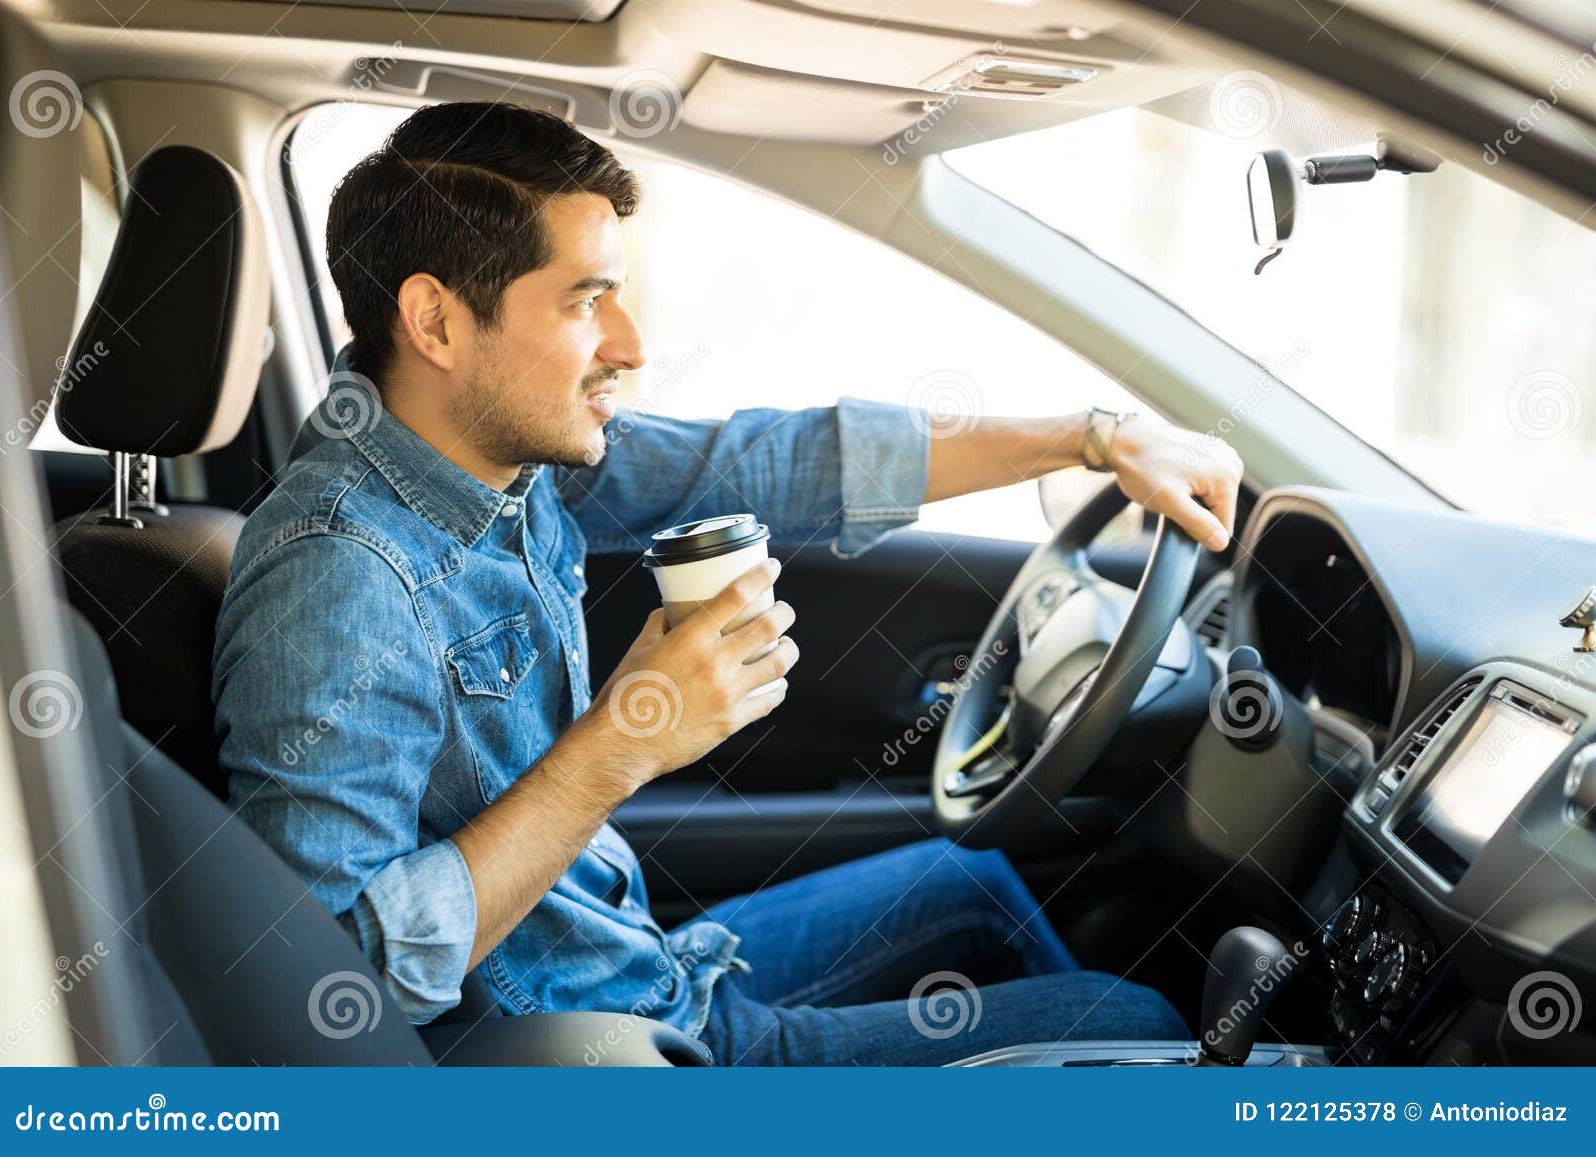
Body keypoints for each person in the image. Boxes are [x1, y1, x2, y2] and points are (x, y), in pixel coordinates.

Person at [213, 101, 1243, 1065]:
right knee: (1132, 1023)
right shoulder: (339, 576)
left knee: (971, 882)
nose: (630, 345)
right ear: (435, 322)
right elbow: (328, 982)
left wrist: (1091, 438)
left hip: (647, 965)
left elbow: (780, 462)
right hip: (604, 1051)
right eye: (583, 301)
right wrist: (622, 743)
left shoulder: (498, 462)